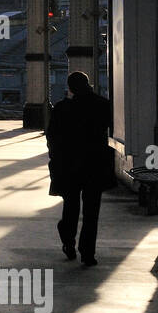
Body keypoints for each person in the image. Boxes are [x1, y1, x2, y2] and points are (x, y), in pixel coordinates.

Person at [45, 71, 117, 266]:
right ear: (89, 84)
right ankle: (87, 252)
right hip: (95, 165)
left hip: (69, 166)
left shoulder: (61, 109)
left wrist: (56, 158)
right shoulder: (102, 105)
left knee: (71, 206)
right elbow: (113, 131)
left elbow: (51, 137)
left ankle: (68, 240)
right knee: (91, 211)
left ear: (70, 88)